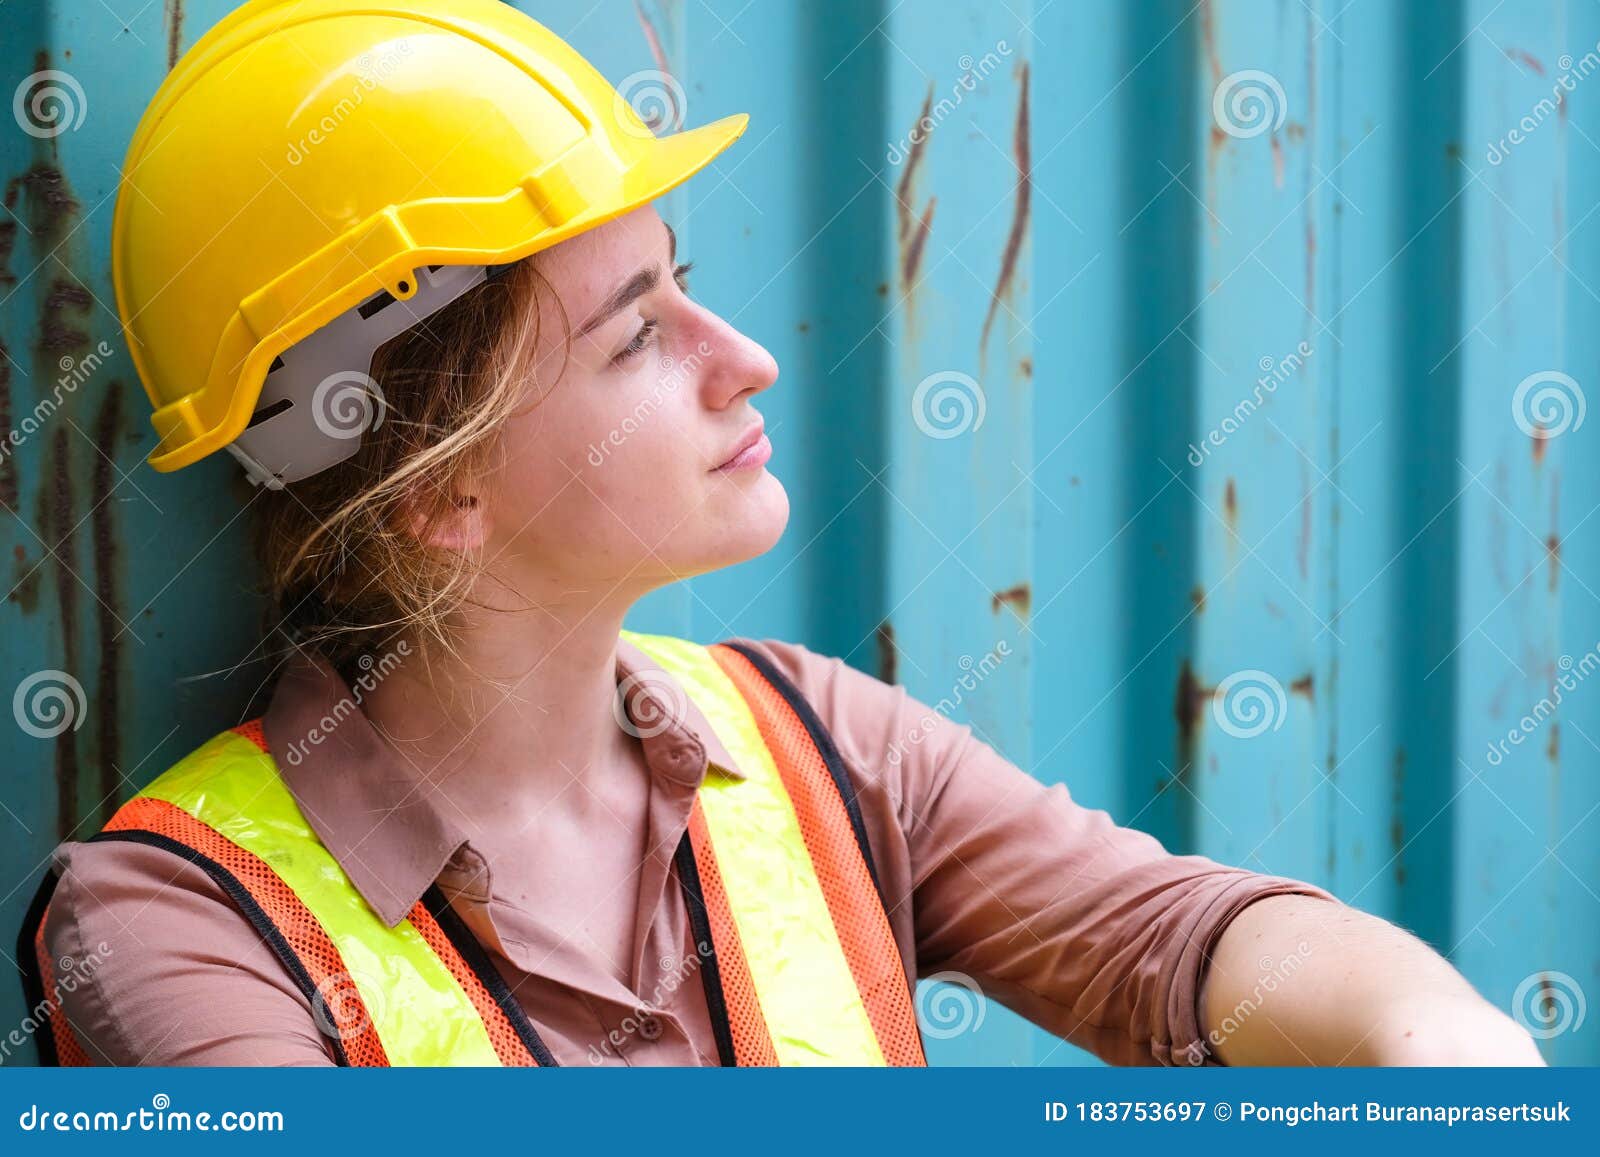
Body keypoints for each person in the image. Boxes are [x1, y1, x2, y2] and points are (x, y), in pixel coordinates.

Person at [21, 0, 1542, 1068]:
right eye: (636, 335)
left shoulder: (812, 736)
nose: (744, 357)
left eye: (682, 281)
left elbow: (1178, 945)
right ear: (437, 491)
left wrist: (1434, 1041)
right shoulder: (176, 924)